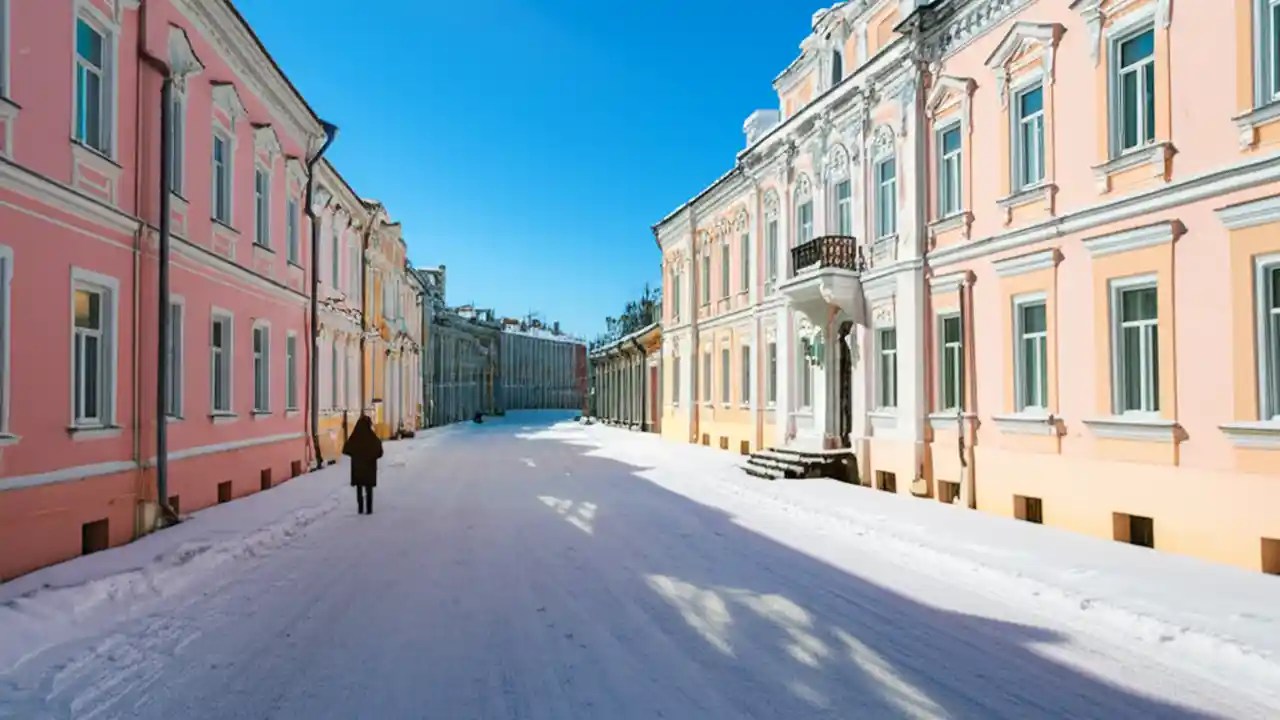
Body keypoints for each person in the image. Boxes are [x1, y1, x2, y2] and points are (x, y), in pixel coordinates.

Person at [342, 415, 383, 515]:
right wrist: (372, 457)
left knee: (359, 488)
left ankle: (360, 508)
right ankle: (369, 509)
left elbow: (345, 450)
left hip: (357, 467)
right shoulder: (372, 438)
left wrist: (355, 454)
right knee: (369, 489)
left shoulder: (355, 437)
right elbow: (380, 452)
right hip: (369, 467)